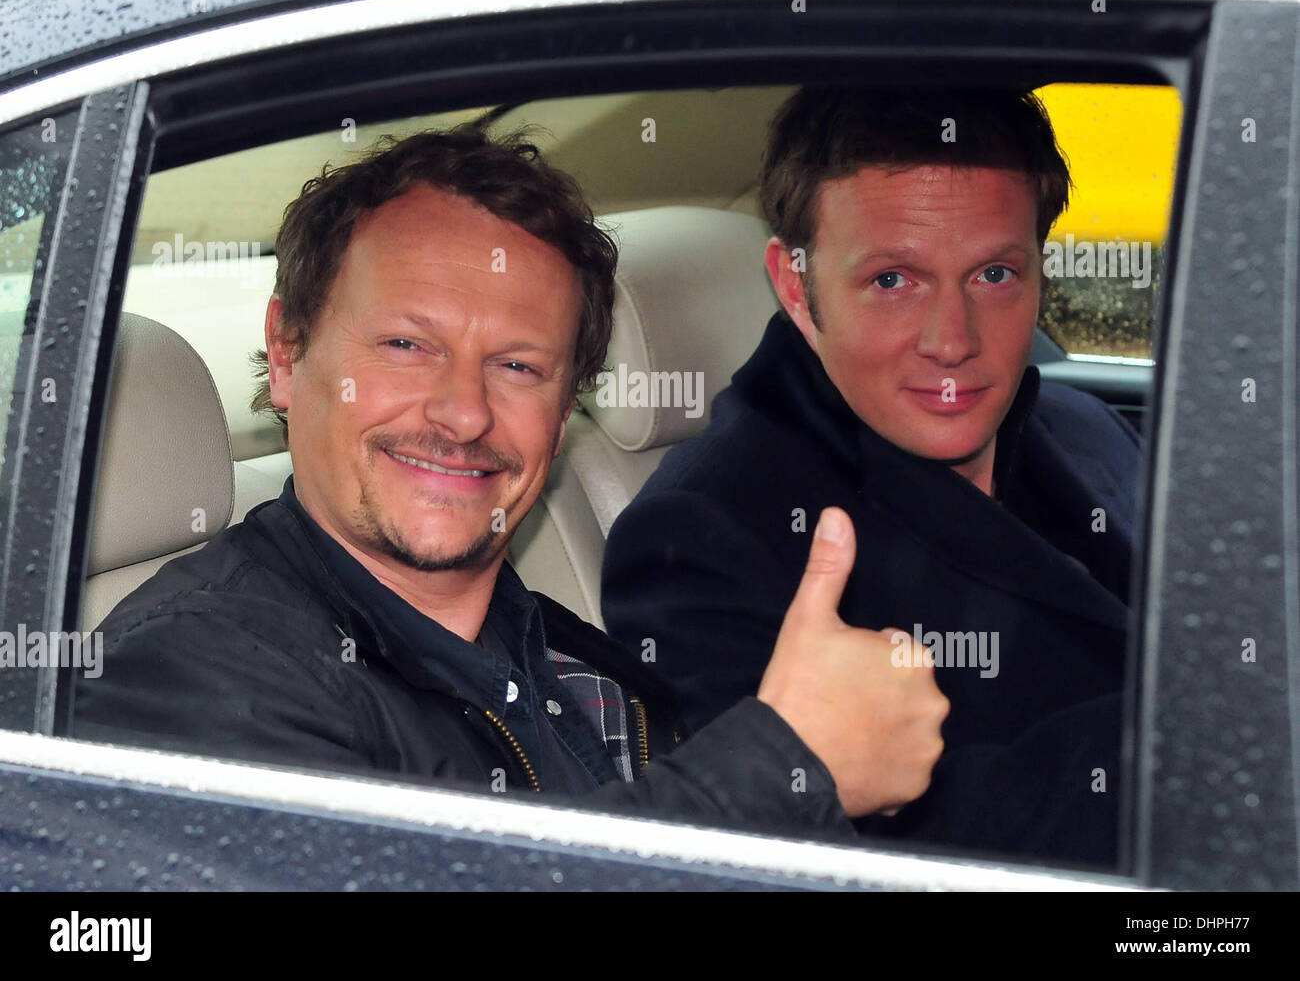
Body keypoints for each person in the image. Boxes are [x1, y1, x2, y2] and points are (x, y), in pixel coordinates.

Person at [73, 125, 949, 838]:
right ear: (290, 352)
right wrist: (782, 767)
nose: (463, 413)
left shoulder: (548, 641)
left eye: (520, 366)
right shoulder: (182, 679)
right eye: (407, 345)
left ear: (567, 407)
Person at [601, 86, 1142, 866]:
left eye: (994, 274)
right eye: (893, 280)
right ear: (796, 288)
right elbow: (822, 859)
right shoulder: (701, 538)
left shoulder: (1085, 425)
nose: (952, 341)